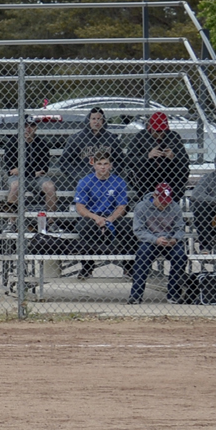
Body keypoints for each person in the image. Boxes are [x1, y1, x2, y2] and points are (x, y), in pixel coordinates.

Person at [72, 149, 132, 278]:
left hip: (113, 215)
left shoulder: (119, 181)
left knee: (129, 227)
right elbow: (80, 207)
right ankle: (87, 267)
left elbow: (122, 207)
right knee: (84, 227)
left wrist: (110, 219)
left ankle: (129, 268)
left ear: (111, 165)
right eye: (99, 164)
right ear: (94, 165)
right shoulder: (85, 181)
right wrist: (96, 218)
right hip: (92, 215)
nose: (103, 167)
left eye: (106, 163)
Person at [130, 181, 187, 304]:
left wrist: (175, 239)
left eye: (167, 201)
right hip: (150, 241)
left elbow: (180, 228)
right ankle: (136, 295)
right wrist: (155, 240)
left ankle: (173, 295)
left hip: (169, 240)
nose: (164, 205)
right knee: (142, 254)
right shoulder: (142, 207)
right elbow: (139, 230)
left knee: (180, 256)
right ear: (154, 196)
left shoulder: (174, 206)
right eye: (161, 201)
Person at [58, 107, 123, 194]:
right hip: (84, 178)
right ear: (88, 120)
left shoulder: (111, 139)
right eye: (93, 119)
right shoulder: (76, 138)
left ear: (103, 121)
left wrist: (111, 174)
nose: (96, 122)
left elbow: (120, 160)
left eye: (99, 119)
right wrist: (78, 175)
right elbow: (64, 162)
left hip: (106, 178)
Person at [128, 112, 189, 200]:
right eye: (157, 131)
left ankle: (172, 199)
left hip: (169, 172)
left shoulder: (173, 136)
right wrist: (147, 156)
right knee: (140, 167)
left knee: (182, 167)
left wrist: (173, 157)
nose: (160, 134)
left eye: (162, 131)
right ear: (151, 128)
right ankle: (148, 199)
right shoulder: (140, 137)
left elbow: (185, 160)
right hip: (148, 174)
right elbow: (128, 160)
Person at [0, 120, 56, 212]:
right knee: (15, 186)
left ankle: (51, 222)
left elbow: (43, 169)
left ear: (36, 128)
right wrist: (33, 172)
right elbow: (11, 170)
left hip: (37, 179)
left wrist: (21, 171)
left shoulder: (42, 144)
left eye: (31, 126)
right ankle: (11, 223)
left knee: (50, 187)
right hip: (17, 178)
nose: (28, 129)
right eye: (25, 126)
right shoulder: (12, 142)